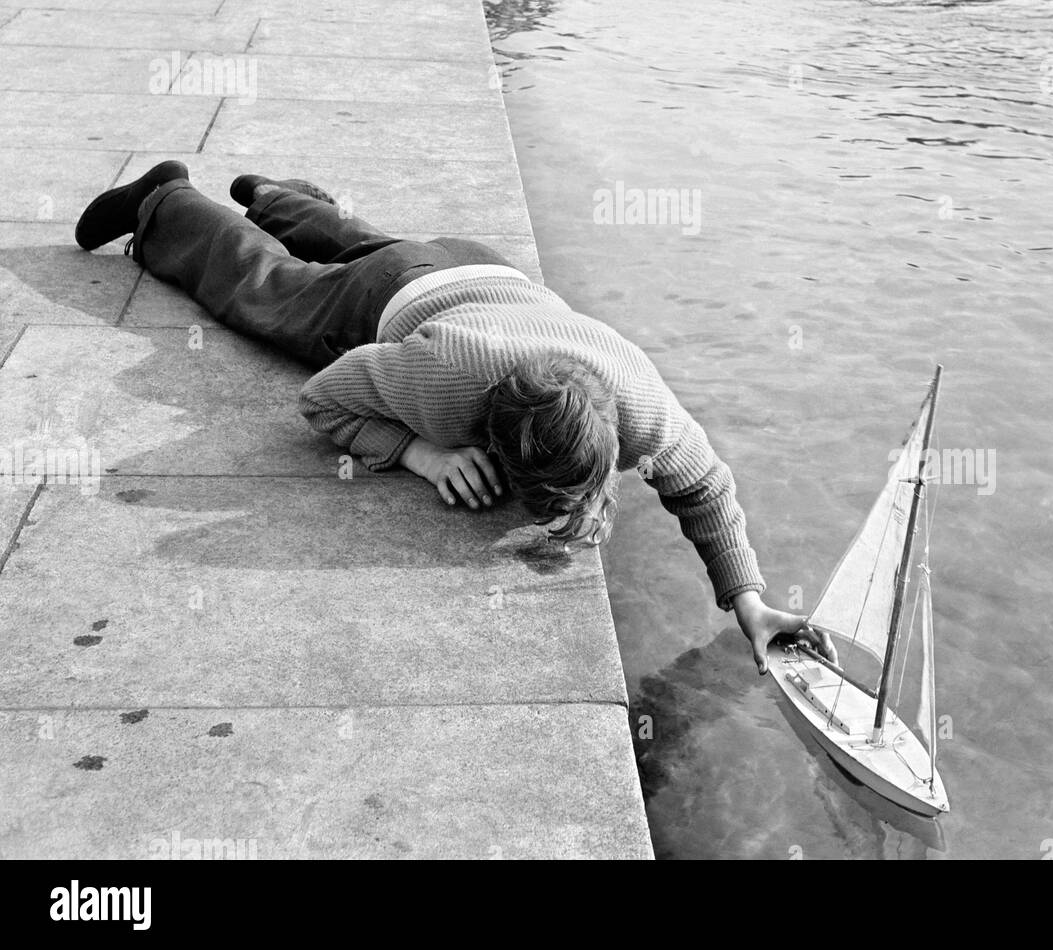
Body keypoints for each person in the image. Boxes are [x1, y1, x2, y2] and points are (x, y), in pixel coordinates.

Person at [71, 164, 836, 675]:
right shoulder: (442, 378)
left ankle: (279, 196)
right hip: (393, 301)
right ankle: (170, 200)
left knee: (384, 247)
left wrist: (750, 603)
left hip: (475, 266)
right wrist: (414, 452)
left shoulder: (640, 405)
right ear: (484, 432)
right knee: (269, 291)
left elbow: (704, 488)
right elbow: (322, 399)